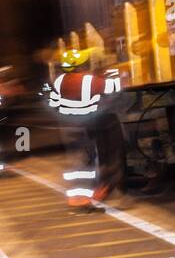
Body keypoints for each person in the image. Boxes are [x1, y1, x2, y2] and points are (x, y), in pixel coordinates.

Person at [48, 48, 125, 207]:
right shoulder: (90, 80)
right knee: (93, 157)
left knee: (77, 160)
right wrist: (116, 73)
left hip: (69, 126)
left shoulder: (59, 81)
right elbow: (115, 87)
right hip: (87, 125)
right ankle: (93, 195)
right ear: (82, 65)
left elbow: (53, 103)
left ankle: (76, 197)